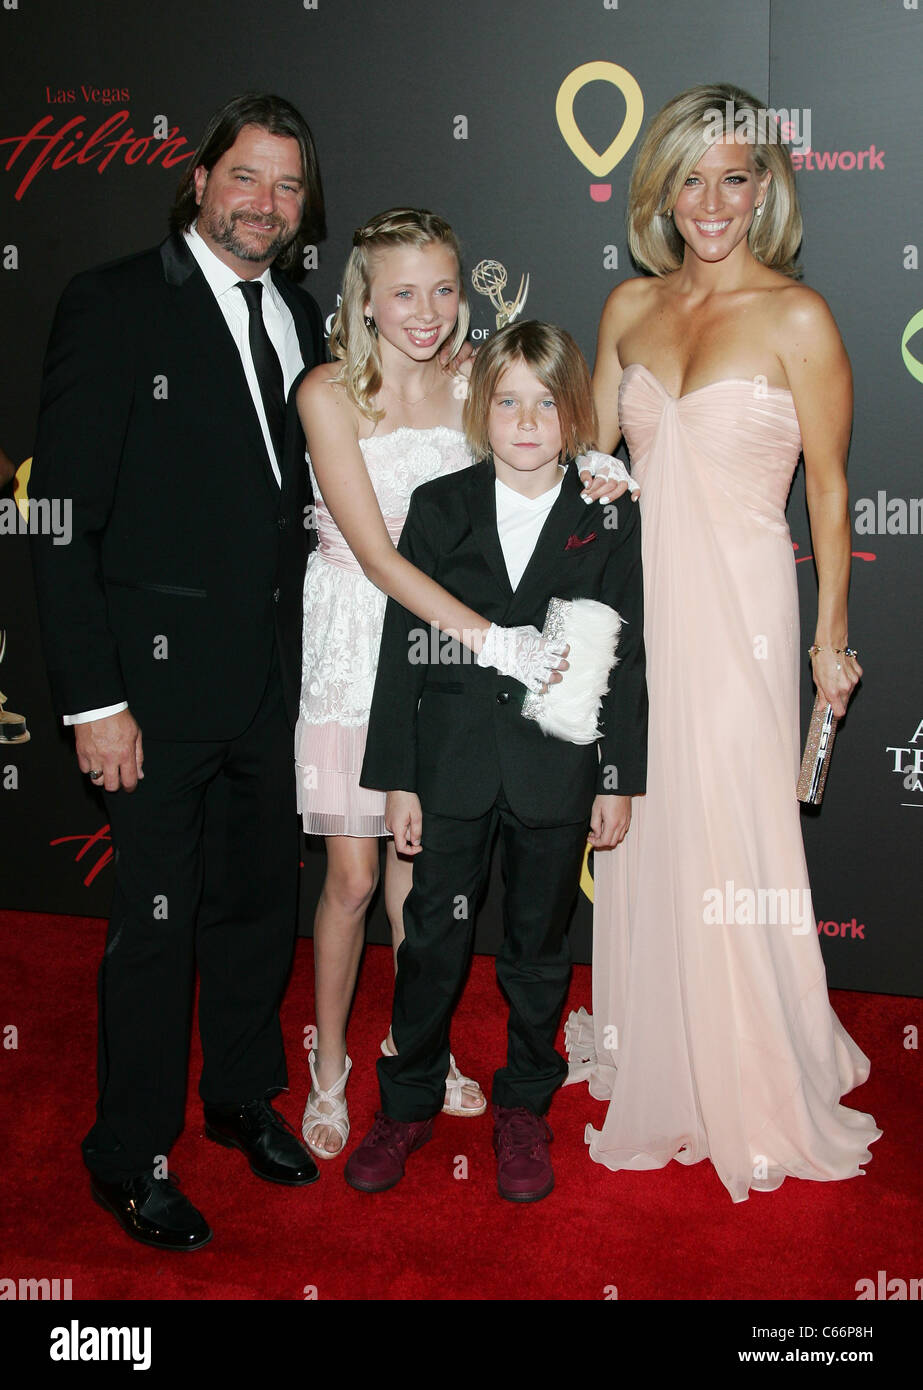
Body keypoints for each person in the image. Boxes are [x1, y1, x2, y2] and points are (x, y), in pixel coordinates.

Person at [567, 83, 880, 1202]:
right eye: (688, 178)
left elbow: (833, 496)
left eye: (733, 177)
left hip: (745, 606)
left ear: (764, 189)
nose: (709, 201)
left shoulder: (797, 316)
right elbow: (591, 471)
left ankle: (750, 1067)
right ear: (658, 189)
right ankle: (657, 1041)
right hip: (641, 605)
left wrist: (828, 639)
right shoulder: (625, 308)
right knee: (645, 822)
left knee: (734, 830)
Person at [30, 93, 328, 1250]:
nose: (264, 203)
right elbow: (61, 518)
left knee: (258, 905)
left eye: (288, 186)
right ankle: (129, 1152)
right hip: (149, 697)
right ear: (199, 180)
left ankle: (240, 1095)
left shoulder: (303, 315)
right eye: (245, 177)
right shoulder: (111, 304)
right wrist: (93, 698)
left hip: (273, 682)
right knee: (155, 927)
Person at [294, 212, 626, 1159]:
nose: (427, 311)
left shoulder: (477, 375)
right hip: (360, 639)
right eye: (402, 291)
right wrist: (502, 646)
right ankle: (329, 1068)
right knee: (352, 879)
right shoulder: (326, 391)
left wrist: (597, 472)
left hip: (447, 674)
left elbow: (546, 428)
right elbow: (379, 556)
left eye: (444, 288)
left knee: (423, 883)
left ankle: (417, 1044)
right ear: (363, 297)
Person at [344, 320, 648, 1201]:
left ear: (575, 415)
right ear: (482, 408)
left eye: (545, 403)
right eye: (507, 400)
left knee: (537, 951)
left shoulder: (605, 512)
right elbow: (404, 643)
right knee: (431, 942)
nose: (525, 419)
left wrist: (618, 775)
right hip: (449, 768)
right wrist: (398, 776)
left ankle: (523, 1108)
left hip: (556, 770)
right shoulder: (441, 504)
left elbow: (627, 653)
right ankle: (402, 1108)